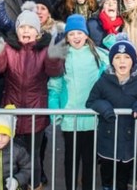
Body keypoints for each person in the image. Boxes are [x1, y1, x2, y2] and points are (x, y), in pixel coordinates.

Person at [0, 3, 67, 189]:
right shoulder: (9, 48)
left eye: (30, 27)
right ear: (17, 30)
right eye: (22, 27)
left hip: (36, 114)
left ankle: (34, 185)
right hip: (11, 113)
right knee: (11, 155)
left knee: (32, 156)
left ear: (37, 32)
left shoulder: (43, 49)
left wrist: (53, 57)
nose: (26, 31)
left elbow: (53, 71)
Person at [48, 14, 110, 190]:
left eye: (79, 33)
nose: (76, 37)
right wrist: (55, 110)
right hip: (70, 118)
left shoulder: (98, 54)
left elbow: (116, 66)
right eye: (72, 33)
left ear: (86, 34)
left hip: (93, 118)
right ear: (67, 36)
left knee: (90, 162)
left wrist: (114, 44)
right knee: (71, 160)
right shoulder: (62, 56)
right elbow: (55, 85)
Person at [86, 34, 137, 190]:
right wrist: (105, 108)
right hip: (107, 140)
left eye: (126, 57)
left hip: (128, 142)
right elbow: (91, 101)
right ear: (112, 61)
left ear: (133, 60)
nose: (122, 61)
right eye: (117, 57)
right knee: (107, 176)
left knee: (123, 179)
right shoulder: (103, 81)